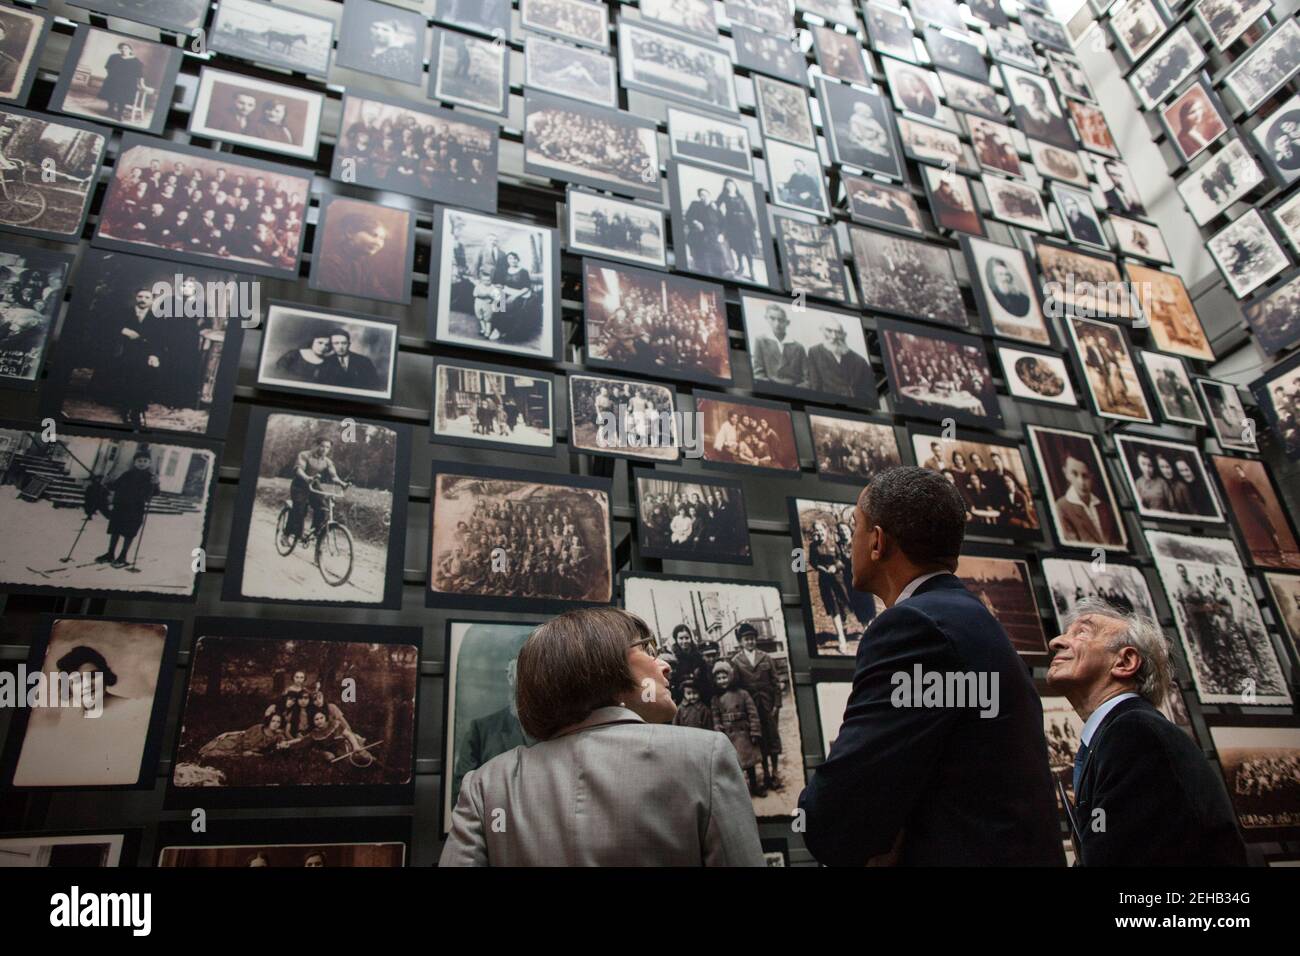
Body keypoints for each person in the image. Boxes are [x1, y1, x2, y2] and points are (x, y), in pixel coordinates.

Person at [798, 466, 1064, 866]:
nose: (848, 542)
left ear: (877, 542)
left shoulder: (915, 628)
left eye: (855, 526)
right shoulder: (969, 619)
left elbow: (838, 811)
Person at [440, 607, 765, 866]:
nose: (664, 665)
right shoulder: (704, 757)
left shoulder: (487, 784)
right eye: (648, 650)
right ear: (601, 665)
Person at [1045, 598, 1247, 865]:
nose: (1055, 642)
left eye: (1082, 631)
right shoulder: (1123, 731)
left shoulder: (1134, 733)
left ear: (1125, 662)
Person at [95, 450, 159, 568]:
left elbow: (155, 493)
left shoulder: (151, 477)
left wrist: (156, 484)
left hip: (136, 508)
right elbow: (115, 486)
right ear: (135, 462)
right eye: (139, 460)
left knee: (129, 532)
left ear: (149, 463)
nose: (142, 463)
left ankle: (123, 556)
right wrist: (106, 483)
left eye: (145, 461)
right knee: (116, 530)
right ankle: (110, 553)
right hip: (121, 506)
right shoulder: (127, 474)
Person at [283, 434, 348, 543]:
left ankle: (315, 529)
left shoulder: (327, 461)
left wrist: (342, 483)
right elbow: (299, 469)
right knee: (299, 510)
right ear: (315, 445)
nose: (325, 449)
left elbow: (333, 476)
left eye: (328, 448)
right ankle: (287, 534)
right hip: (299, 485)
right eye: (322, 446)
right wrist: (307, 478)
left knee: (323, 507)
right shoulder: (304, 455)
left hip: (314, 485)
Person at [98, 42, 146, 123]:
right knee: (110, 94)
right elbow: (108, 67)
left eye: (126, 48)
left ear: (130, 50)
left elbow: (140, 74)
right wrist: (111, 76)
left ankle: (119, 114)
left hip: (128, 83)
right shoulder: (114, 57)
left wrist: (142, 84)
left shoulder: (136, 61)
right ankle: (110, 109)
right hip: (113, 80)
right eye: (121, 48)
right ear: (119, 49)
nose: (123, 50)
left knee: (122, 98)